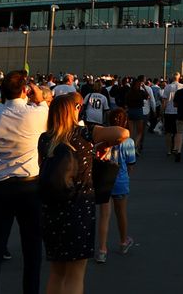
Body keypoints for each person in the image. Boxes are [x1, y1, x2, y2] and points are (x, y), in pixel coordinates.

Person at [0, 71, 52, 294]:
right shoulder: (37, 115)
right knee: (32, 251)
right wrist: (38, 96)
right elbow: (45, 106)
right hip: (30, 186)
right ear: (24, 90)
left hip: (0, 188)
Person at [39, 91, 128, 292]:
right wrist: (105, 143)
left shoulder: (44, 139)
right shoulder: (84, 133)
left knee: (56, 272)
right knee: (76, 274)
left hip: (51, 210)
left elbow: (43, 168)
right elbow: (122, 133)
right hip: (78, 208)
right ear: (74, 111)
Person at [94, 107, 136, 262]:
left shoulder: (102, 137)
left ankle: (102, 250)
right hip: (120, 178)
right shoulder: (128, 141)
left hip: (104, 178)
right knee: (121, 213)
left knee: (104, 215)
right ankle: (123, 241)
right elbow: (131, 163)